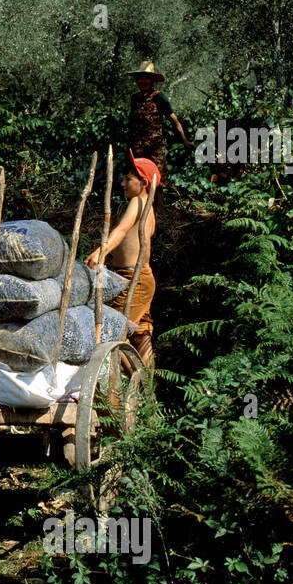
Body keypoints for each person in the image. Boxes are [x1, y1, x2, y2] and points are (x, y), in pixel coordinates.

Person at [85, 151, 159, 368]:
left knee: (112, 330)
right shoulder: (147, 206)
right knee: (140, 334)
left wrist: (101, 252)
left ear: (143, 183)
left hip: (133, 279)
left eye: (128, 179)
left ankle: (136, 378)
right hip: (137, 278)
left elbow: (121, 230)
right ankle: (147, 392)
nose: (123, 183)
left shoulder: (138, 201)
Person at [126, 61, 189, 191]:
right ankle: (141, 206)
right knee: (139, 176)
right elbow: (132, 123)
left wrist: (184, 140)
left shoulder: (159, 97)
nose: (143, 81)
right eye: (140, 78)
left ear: (152, 80)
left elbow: (174, 120)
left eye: (146, 78)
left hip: (155, 147)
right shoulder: (135, 99)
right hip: (138, 146)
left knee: (157, 177)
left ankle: (159, 209)